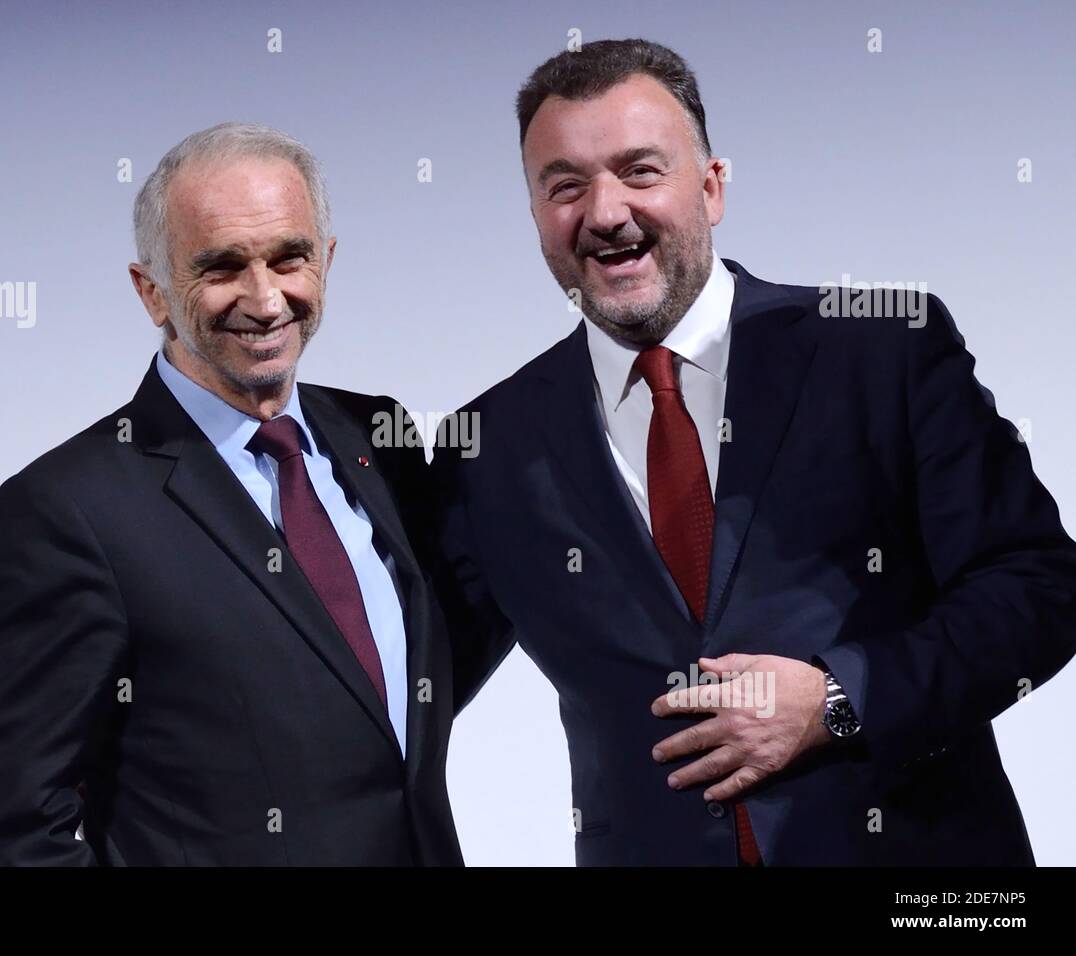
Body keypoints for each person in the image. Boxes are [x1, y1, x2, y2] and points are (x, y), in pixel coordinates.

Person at [431, 39, 1076, 865]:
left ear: (711, 187)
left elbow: (1038, 589)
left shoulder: (880, 352)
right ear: (535, 217)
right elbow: (400, 689)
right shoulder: (487, 447)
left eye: (639, 171)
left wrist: (839, 698)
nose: (604, 212)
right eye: (566, 186)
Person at [0, 123, 463, 866]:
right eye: (222, 267)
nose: (265, 299)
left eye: (289, 257)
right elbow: (12, 823)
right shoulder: (67, 511)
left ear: (325, 262)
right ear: (151, 291)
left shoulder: (378, 434)